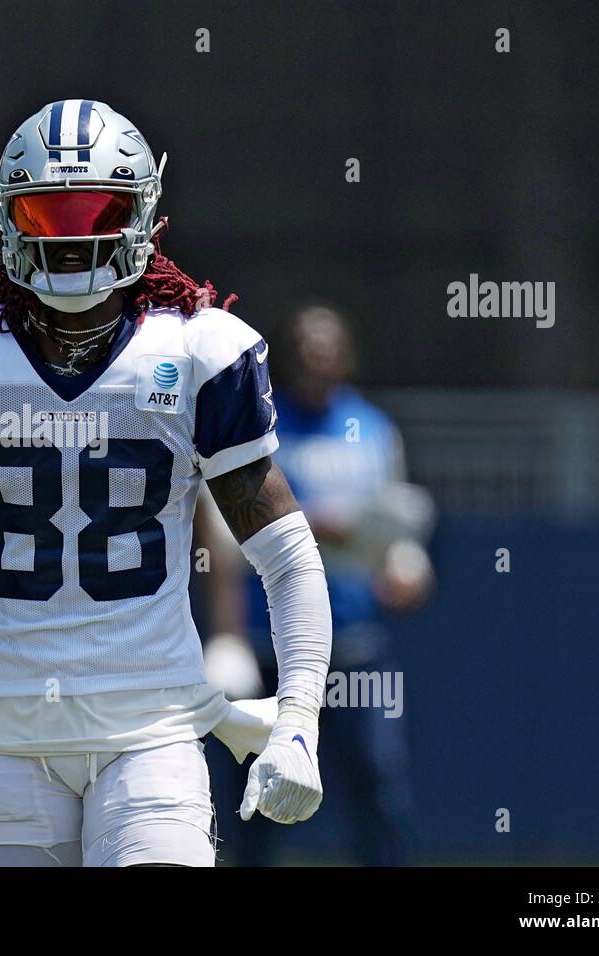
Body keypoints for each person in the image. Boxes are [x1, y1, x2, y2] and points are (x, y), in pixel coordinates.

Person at [0, 100, 333, 867]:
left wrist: (299, 717)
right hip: (6, 739)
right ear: (9, 216)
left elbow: (289, 555)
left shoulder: (198, 346)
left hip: (153, 730)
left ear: (145, 212)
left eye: (97, 209)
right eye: (49, 210)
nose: (74, 238)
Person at [222, 300, 434, 865]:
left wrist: (404, 567)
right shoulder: (263, 426)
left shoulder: (374, 428)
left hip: (356, 641)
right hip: (277, 643)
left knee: (379, 784)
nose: (320, 357)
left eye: (329, 344)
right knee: (259, 792)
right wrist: (318, 525)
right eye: (308, 346)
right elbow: (231, 522)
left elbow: (395, 526)